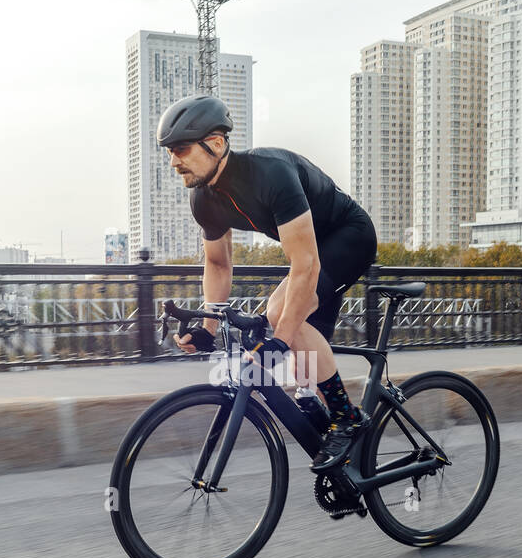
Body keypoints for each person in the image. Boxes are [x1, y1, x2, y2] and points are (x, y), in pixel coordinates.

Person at [157, 94, 378, 473]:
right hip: (312, 250)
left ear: (216, 143)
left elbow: (305, 265)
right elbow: (217, 263)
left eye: (180, 149)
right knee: (304, 385)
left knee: (278, 315)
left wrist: (278, 338)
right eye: (169, 151)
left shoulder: (270, 173)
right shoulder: (204, 200)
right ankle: (348, 476)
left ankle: (349, 418)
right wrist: (209, 327)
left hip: (349, 237)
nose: (173, 161)